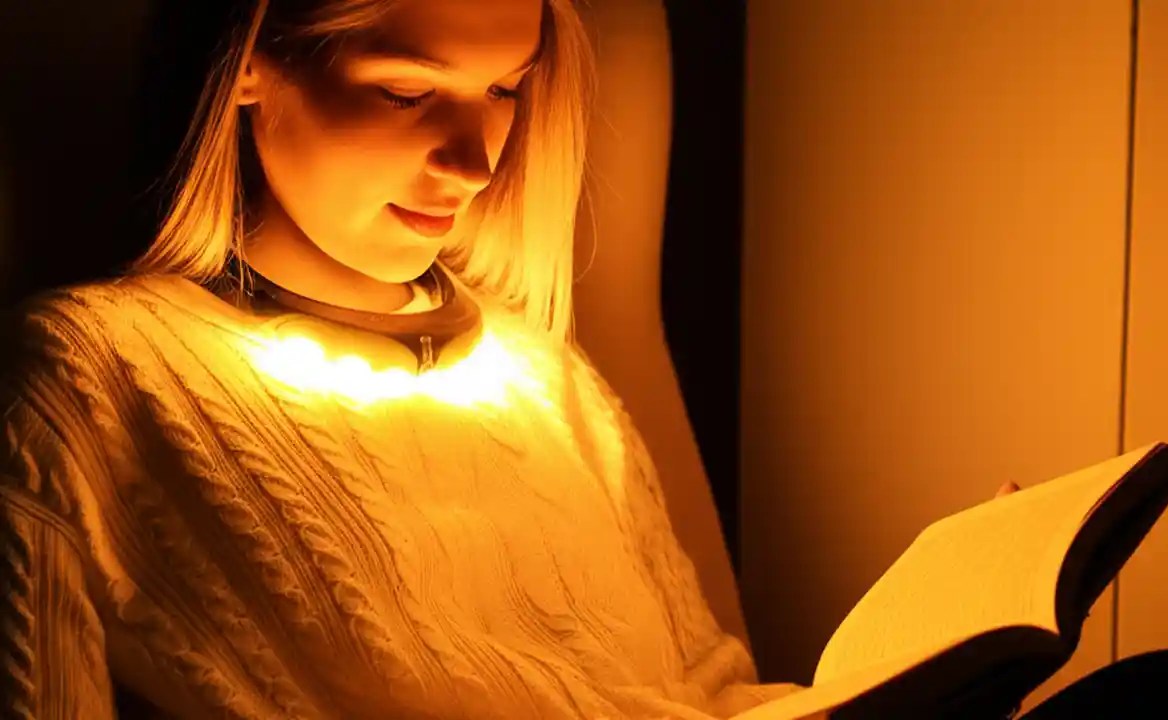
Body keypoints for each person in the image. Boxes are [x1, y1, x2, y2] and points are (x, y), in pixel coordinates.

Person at [0, 0, 802, 717]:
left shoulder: (550, 382)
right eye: (406, 92)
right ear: (249, 61)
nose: (474, 164)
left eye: (504, 90)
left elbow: (715, 687)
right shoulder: (91, 379)